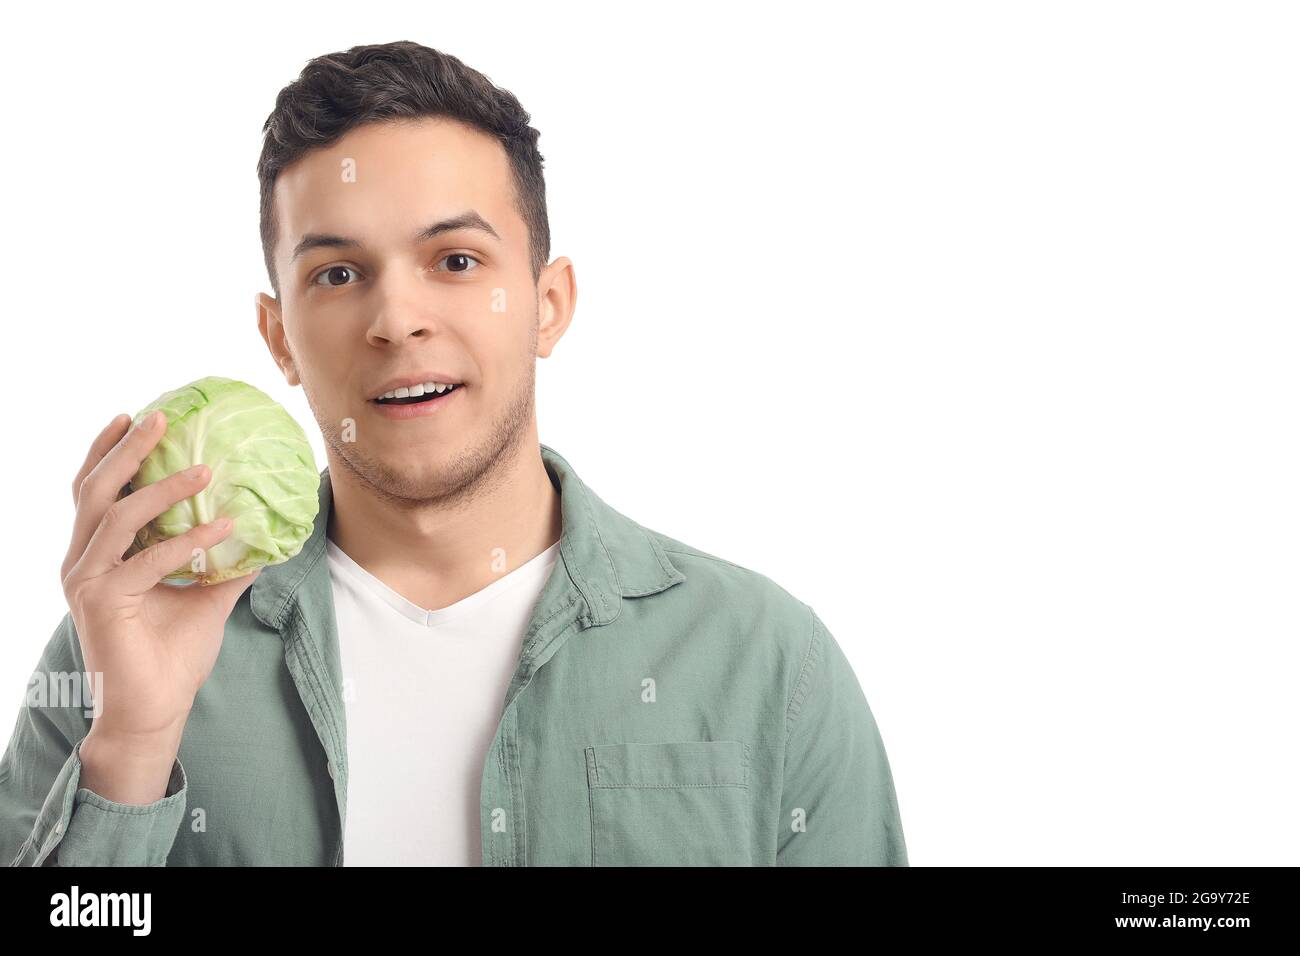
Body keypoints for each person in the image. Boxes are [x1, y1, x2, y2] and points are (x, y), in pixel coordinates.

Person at [0, 40, 907, 866]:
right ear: (278, 336)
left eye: (457, 260)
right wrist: (129, 748)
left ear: (548, 304)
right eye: (338, 275)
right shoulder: (114, 656)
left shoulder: (765, 659)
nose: (397, 321)